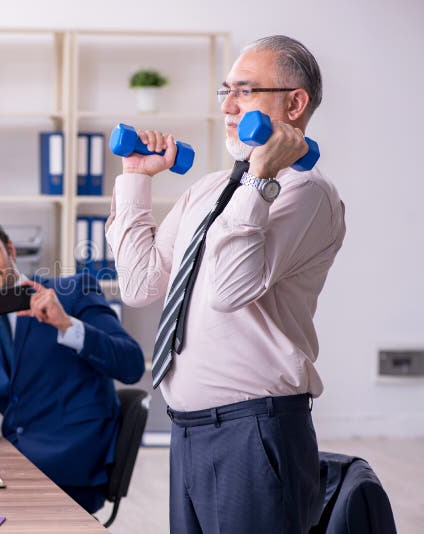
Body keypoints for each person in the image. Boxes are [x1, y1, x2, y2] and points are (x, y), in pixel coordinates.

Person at [106, 35, 345, 532]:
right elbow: (140, 285)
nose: (229, 107)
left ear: (294, 104)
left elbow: (230, 289)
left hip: (255, 431)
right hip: (188, 432)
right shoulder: (211, 188)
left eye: (245, 91)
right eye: (224, 92)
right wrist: (136, 178)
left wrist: (260, 176)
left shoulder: (307, 194)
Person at [0, 214, 144, 514]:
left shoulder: (72, 291)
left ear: (10, 250)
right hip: (14, 465)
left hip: (72, 469)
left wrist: (68, 325)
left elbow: (132, 364)